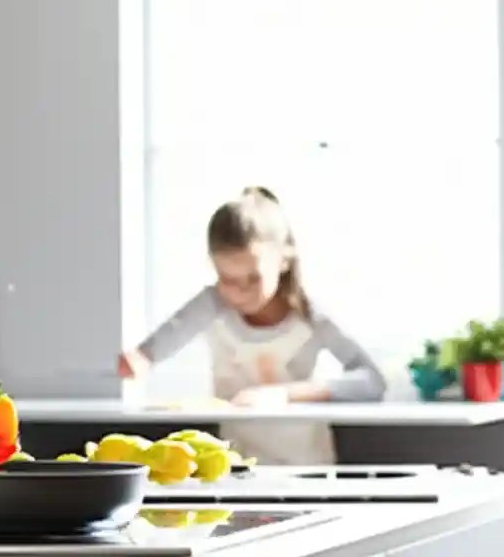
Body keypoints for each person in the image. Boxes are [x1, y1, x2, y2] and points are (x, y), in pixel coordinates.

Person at [117, 187, 386, 465]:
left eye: (253, 278)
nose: (240, 292)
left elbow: (372, 381)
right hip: (236, 465)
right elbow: (151, 351)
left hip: (306, 467)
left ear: (283, 260)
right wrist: (138, 360)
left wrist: (285, 394)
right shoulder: (211, 305)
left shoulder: (310, 316)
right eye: (228, 279)